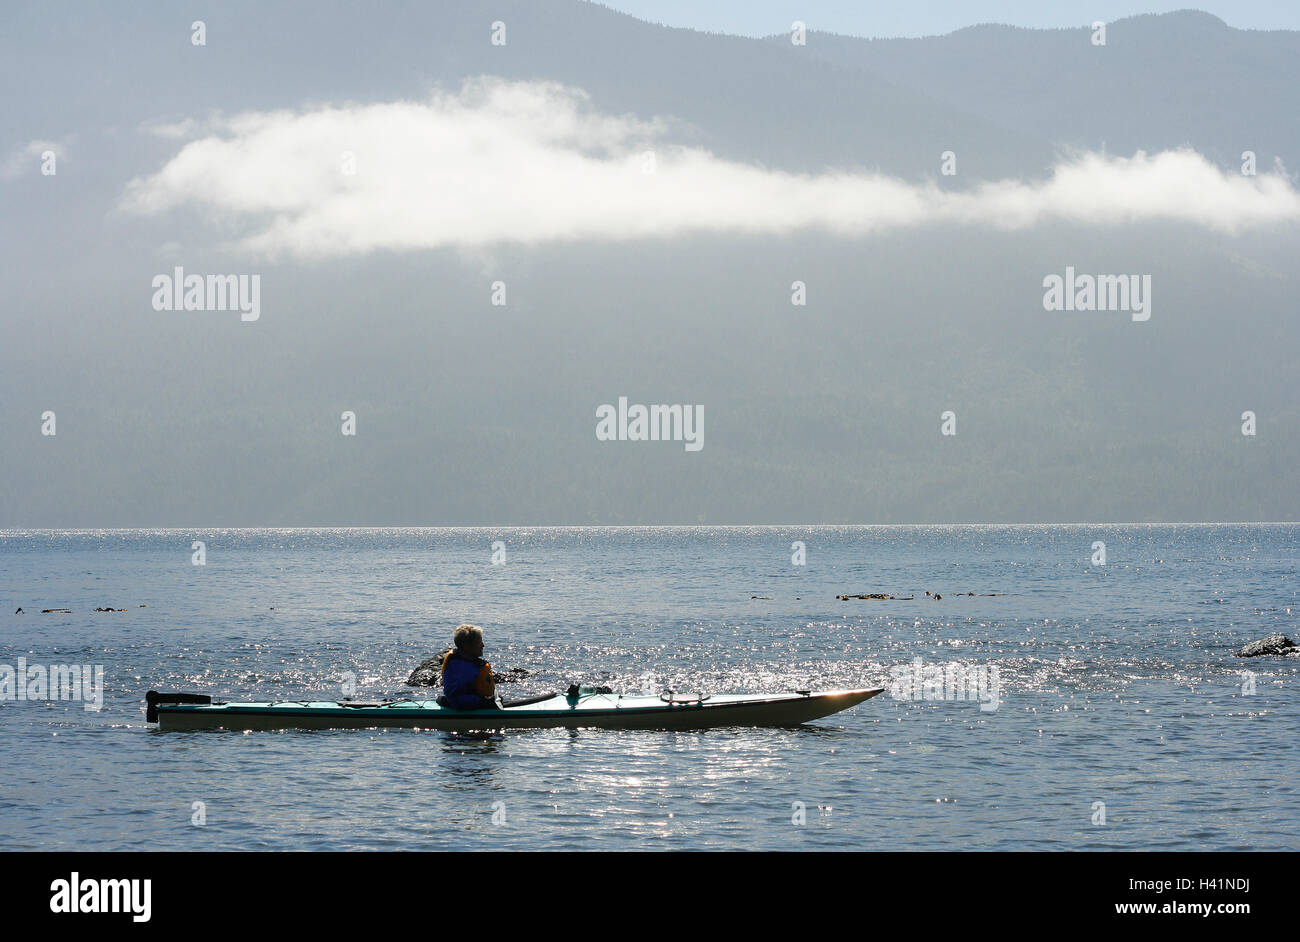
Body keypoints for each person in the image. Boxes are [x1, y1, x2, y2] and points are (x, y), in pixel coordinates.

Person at [438, 624, 499, 710]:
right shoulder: (460, 667)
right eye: (479, 642)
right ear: (467, 646)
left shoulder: (469, 663)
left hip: (476, 704)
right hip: (468, 708)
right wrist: (484, 702)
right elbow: (457, 700)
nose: (483, 645)